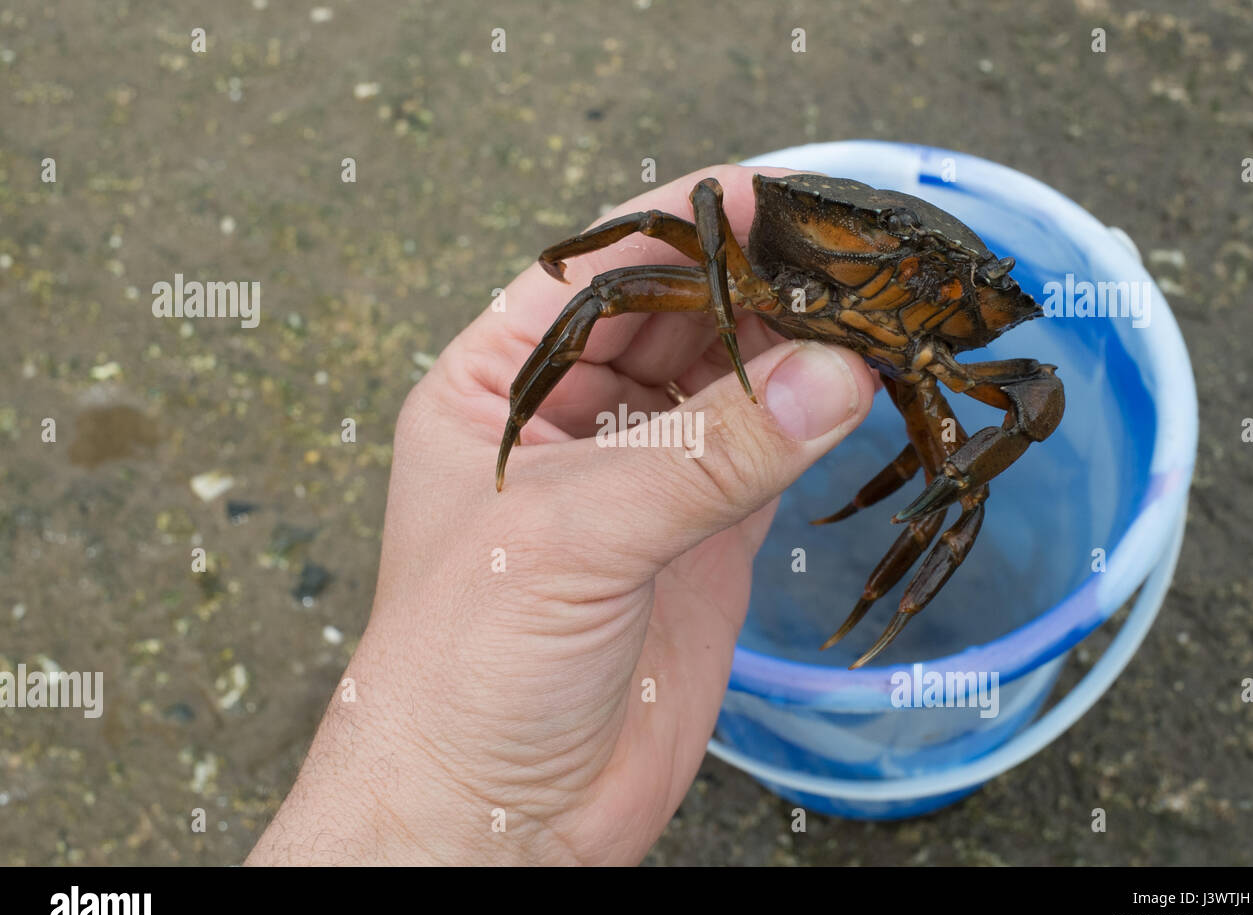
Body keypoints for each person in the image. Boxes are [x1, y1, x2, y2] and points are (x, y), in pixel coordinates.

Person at [245, 165, 879, 865]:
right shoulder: (735, 265)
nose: (881, 258)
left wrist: (474, 826)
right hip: (751, 292)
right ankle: (519, 423)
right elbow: (675, 220)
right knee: (611, 288)